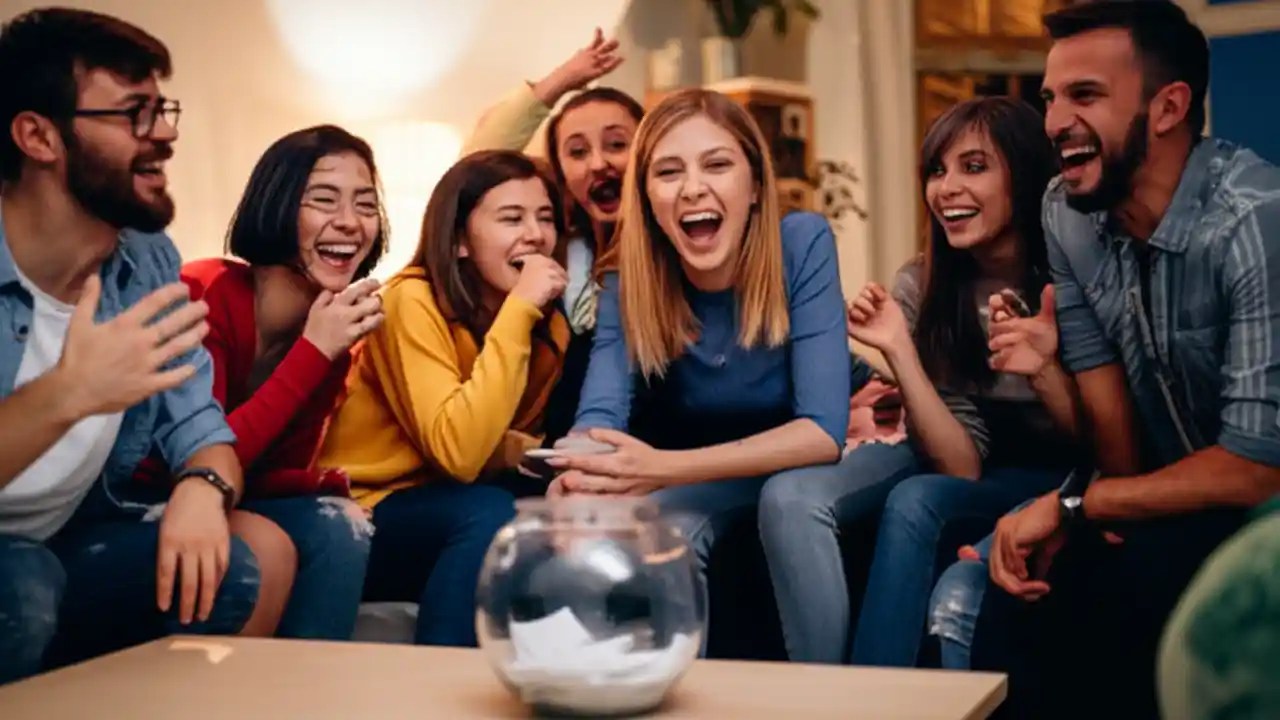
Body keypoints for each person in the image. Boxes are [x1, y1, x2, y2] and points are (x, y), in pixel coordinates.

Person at [964, 4, 1280, 718]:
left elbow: (1258, 465)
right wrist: (1079, 521)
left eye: (1085, 95)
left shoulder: (1256, 219)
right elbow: (1117, 446)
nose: (1052, 123)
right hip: (1169, 505)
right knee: (1018, 599)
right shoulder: (1066, 215)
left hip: (1265, 523)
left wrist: (1073, 505)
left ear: (1168, 107)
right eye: (1050, 98)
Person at [758, 96, 1076, 666]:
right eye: (936, 170)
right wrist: (901, 351)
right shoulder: (922, 285)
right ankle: (870, 698)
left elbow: (1106, 443)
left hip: (1072, 481)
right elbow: (961, 465)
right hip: (987, 472)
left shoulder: (1075, 275)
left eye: (973, 167)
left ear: (1025, 176)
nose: (946, 187)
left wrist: (1047, 372)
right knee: (914, 496)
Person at [0, 8, 261, 683]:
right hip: (16, 569)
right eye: (133, 113)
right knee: (21, 586)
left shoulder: (143, 260)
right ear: (38, 136)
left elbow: (202, 430)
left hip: (68, 537)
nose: (167, 132)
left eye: (163, 108)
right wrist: (68, 394)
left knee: (224, 569)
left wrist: (202, 489)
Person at [546, 88, 851, 654]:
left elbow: (822, 432)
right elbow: (598, 417)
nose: (693, 188)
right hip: (721, 469)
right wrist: (577, 475)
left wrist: (661, 468)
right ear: (647, 198)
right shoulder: (626, 278)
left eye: (717, 164)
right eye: (667, 171)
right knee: (667, 535)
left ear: (755, 185)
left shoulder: (801, 242)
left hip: (821, 448)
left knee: (788, 499)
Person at [138, 125, 388, 640]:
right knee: (268, 548)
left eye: (365, 205)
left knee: (340, 525)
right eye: (323, 200)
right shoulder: (203, 293)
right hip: (153, 493)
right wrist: (313, 353)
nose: (349, 222)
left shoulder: (327, 327)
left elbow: (271, 471)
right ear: (277, 205)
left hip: (230, 493)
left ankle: (305, 696)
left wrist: (315, 481)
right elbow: (201, 456)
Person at [316, 150, 571, 646]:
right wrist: (519, 310)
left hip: (437, 499)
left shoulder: (549, 326)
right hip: (367, 507)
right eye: (511, 218)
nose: (536, 235)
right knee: (486, 511)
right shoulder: (410, 300)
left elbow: (493, 442)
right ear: (458, 240)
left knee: (557, 513)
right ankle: (440, 683)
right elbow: (459, 452)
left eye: (545, 218)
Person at [464, 30, 639, 442]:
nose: (598, 163)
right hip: (560, 452)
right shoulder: (555, 249)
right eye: (577, 152)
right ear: (560, 171)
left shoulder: (680, 250)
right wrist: (558, 84)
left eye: (617, 144)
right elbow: (472, 174)